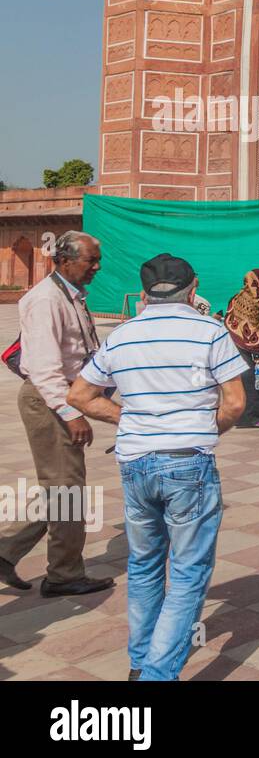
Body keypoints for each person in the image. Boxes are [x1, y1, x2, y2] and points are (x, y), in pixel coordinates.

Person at [69, 253, 246, 680]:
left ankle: (139, 660)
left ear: (145, 290)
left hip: (135, 463)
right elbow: (237, 402)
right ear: (194, 285)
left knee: (145, 565)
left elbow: (79, 395)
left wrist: (129, 419)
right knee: (188, 572)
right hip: (188, 463)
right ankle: (156, 674)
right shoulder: (209, 331)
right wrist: (200, 429)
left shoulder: (122, 335)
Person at [0, 231, 113, 597]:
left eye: (98, 260)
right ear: (64, 261)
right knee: (66, 491)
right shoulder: (46, 299)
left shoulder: (70, 295)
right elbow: (44, 367)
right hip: (49, 399)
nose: (97, 267)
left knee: (63, 489)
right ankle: (64, 574)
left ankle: (7, 552)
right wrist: (70, 412)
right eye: (90, 261)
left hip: (62, 397)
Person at [223, 268, 259, 427]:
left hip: (240, 347)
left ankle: (246, 417)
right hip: (256, 349)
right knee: (257, 379)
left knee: (251, 379)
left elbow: (228, 321)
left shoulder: (236, 300)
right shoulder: (258, 304)